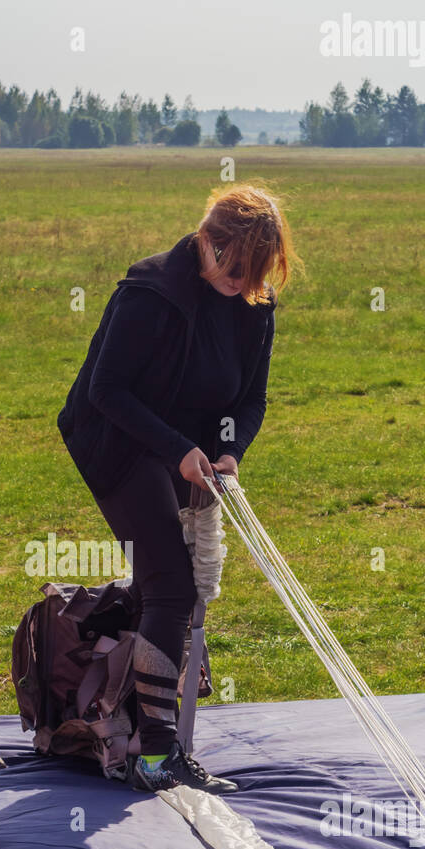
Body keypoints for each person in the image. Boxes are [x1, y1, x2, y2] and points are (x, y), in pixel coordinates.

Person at [57, 183, 298, 793]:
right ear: (207, 241)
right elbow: (105, 393)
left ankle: (121, 721)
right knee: (171, 585)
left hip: (187, 448)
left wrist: (227, 451)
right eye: (234, 267)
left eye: (256, 273)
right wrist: (178, 451)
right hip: (114, 439)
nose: (242, 282)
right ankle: (155, 757)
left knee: (168, 588)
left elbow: (250, 398)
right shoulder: (149, 293)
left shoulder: (253, 306)